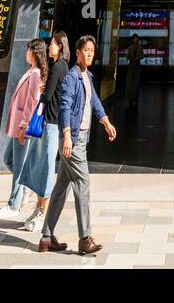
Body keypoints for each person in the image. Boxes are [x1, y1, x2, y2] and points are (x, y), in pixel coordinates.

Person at [39, 34, 117, 256]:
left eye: (93, 50)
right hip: (73, 140)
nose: (90, 53)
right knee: (83, 182)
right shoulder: (71, 77)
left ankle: (46, 236)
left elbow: (94, 102)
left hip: (79, 138)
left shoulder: (86, 76)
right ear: (78, 52)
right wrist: (66, 136)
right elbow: (64, 107)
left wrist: (106, 122)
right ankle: (85, 238)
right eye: (86, 50)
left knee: (61, 188)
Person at [18, 31, 70, 235]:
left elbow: (47, 96)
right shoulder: (63, 67)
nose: (50, 47)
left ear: (60, 47)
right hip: (52, 122)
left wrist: (41, 90)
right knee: (41, 165)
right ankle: (39, 208)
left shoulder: (58, 68)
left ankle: (42, 211)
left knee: (45, 167)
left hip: (50, 121)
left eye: (53, 44)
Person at [0, 39, 47, 221]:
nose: (26, 54)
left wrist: (24, 126)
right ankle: (26, 188)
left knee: (18, 165)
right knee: (9, 159)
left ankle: (14, 205)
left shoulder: (35, 74)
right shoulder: (31, 71)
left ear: (35, 52)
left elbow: (32, 102)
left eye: (28, 50)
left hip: (22, 127)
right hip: (19, 124)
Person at [125, 33, 143, 107]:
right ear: (132, 40)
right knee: (130, 82)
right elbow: (127, 56)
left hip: (137, 64)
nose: (135, 40)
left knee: (136, 82)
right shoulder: (130, 47)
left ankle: (135, 98)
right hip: (131, 64)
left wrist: (137, 58)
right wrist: (130, 58)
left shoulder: (140, 48)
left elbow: (142, 55)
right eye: (134, 38)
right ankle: (130, 98)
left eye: (136, 38)